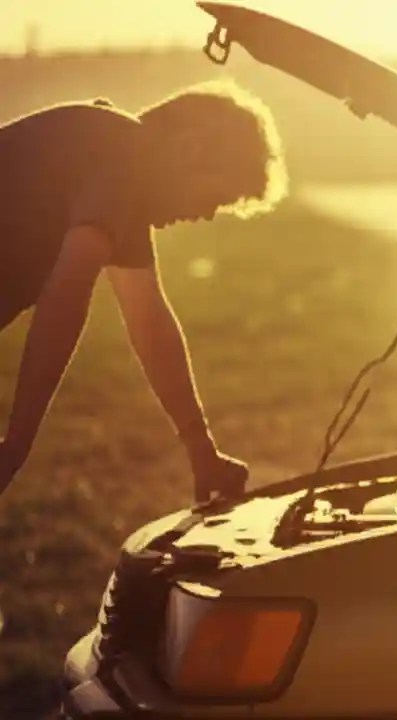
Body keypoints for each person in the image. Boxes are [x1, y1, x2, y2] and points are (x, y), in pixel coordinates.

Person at [0, 80, 287, 504]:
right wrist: (18, 443)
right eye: (214, 199)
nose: (205, 215)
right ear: (191, 149)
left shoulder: (123, 178)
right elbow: (67, 295)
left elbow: (148, 321)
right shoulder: (120, 154)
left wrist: (201, 450)